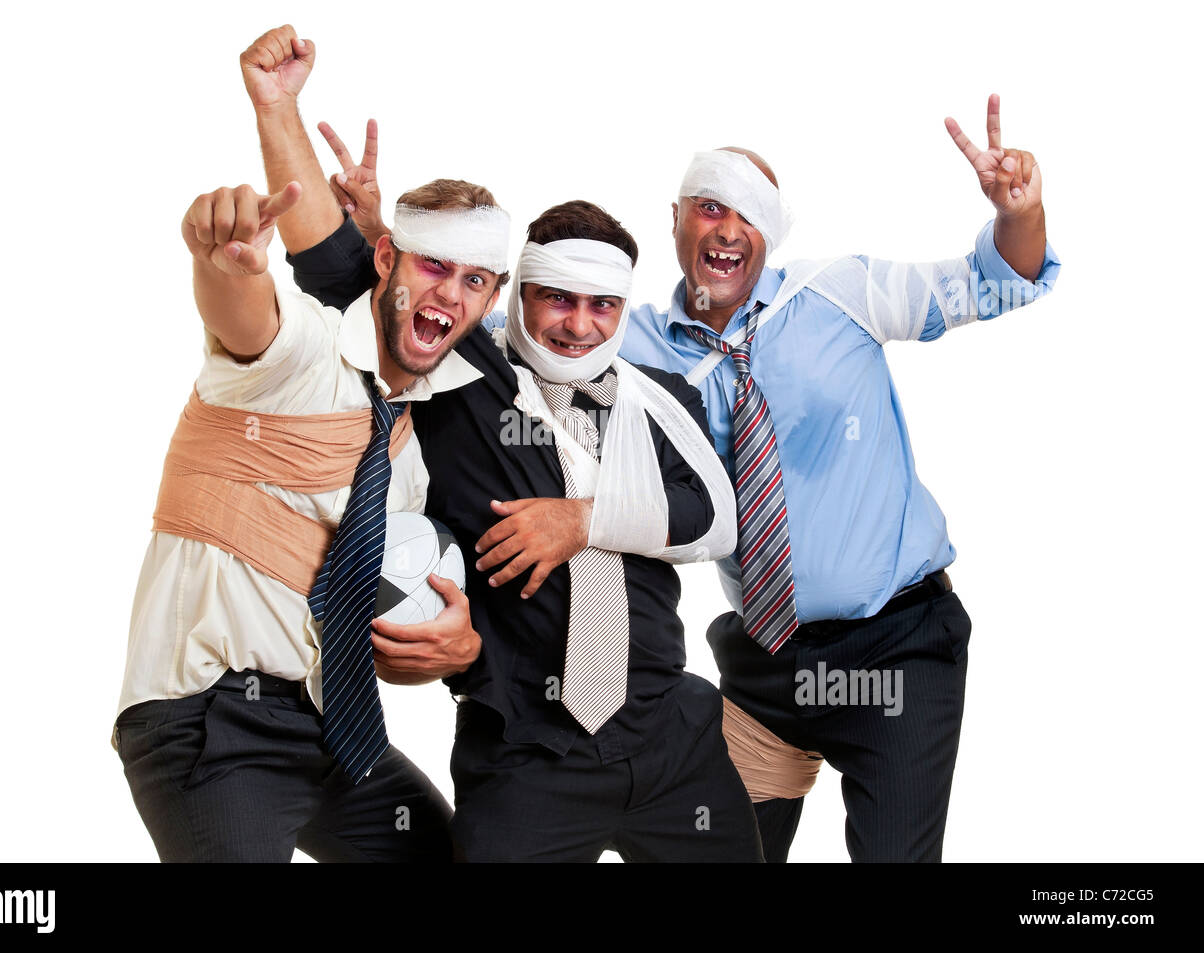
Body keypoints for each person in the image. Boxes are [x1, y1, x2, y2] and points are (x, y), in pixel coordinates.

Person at [309, 90, 1060, 862]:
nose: (728, 228)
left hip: (896, 643)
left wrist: (1018, 213)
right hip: (762, 663)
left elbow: (995, 282)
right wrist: (383, 239)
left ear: (770, 232)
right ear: (677, 219)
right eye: (709, 206)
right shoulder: (612, 342)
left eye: (749, 213)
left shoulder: (838, 294)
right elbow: (442, 321)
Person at [243, 25, 764, 861]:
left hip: (672, 740)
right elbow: (336, 261)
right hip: (528, 752)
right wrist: (278, 108)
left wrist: (581, 520)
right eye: (556, 298)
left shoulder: (659, 401)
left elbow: (707, 513)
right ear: (512, 296)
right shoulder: (462, 376)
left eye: (600, 306)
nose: (576, 323)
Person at [113, 167, 510, 861]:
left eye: (474, 280)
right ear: (386, 258)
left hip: (331, 730)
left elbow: (366, 602)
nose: (450, 290)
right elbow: (247, 315)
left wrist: (438, 648)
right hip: (215, 722)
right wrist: (224, 263)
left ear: (488, 303)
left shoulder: (409, 458)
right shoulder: (306, 349)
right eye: (434, 264)